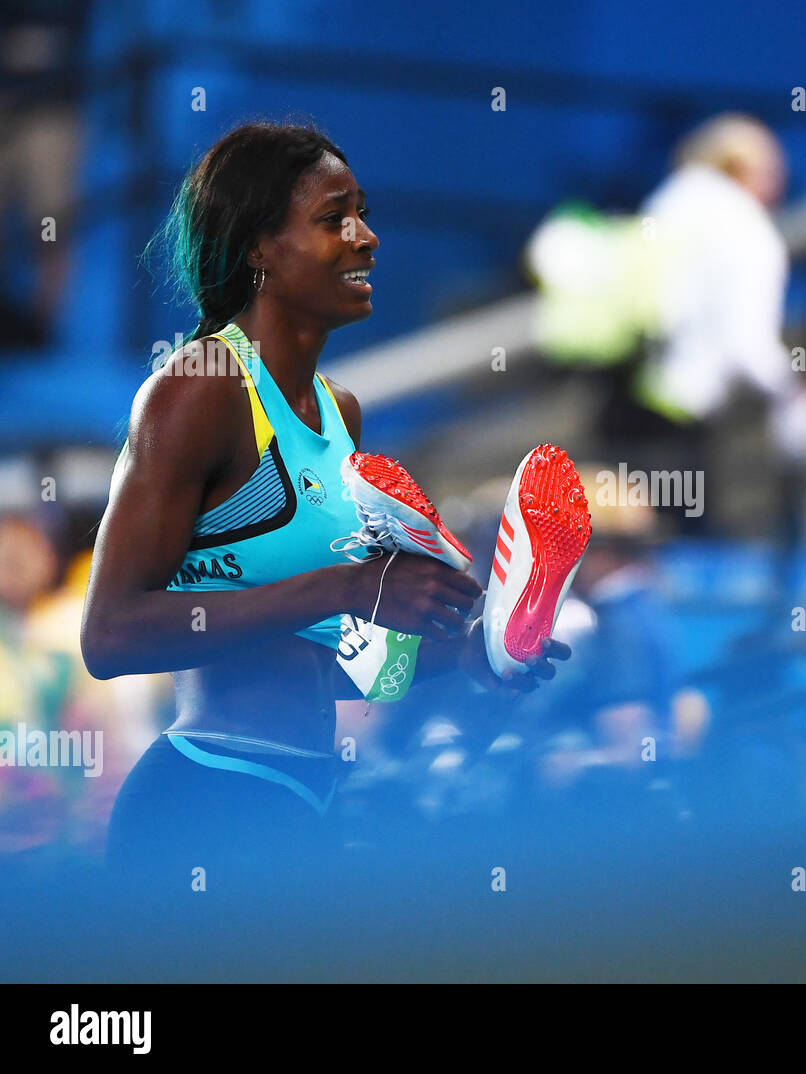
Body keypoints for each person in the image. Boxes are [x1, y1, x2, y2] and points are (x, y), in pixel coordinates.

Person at [81, 123, 566, 882]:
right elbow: (109, 636)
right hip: (208, 796)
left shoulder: (342, 413)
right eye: (335, 217)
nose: (367, 238)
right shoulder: (200, 387)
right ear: (258, 249)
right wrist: (351, 585)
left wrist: (467, 655)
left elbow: (340, 658)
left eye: (364, 214)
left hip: (305, 800)